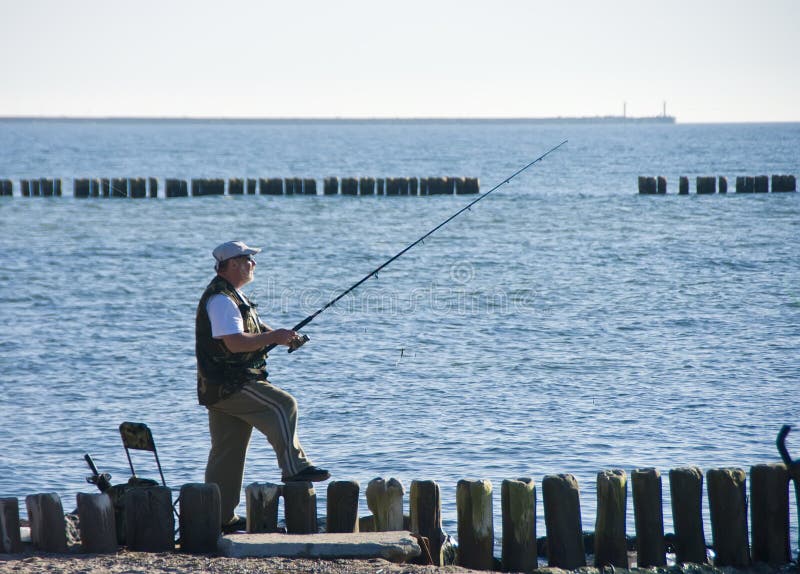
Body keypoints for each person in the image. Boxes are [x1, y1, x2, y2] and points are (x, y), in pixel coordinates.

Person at [196, 240, 329, 531]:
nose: (253, 264)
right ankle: (294, 469)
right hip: (232, 384)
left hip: (218, 388)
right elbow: (233, 342)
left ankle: (219, 519)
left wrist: (281, 335)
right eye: (248, 260)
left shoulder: (233, 296)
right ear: (232, 264)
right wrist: (274, 338)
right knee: (284, 404)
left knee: (227, 452)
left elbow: (250, 329)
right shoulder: (221, 300)